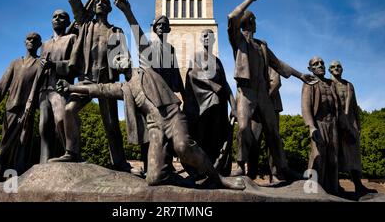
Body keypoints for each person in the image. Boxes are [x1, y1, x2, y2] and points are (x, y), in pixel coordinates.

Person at [55, 55, 245, 190]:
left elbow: (145, 45)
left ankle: (218, 178)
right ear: (118, 68)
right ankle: (178, 180)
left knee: (183, 146)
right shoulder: (124, 88)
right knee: (153, 178)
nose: (122, 61)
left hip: (172, 117)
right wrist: (71, 86)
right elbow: (99, 89)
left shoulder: (147, 70)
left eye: (123, 57)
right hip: (155, 128)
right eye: (117, 61)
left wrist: (127, 12)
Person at [51, 0, 132, 174]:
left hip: (106, 82)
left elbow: (125, 60)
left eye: (103, 2)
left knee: (111, 125)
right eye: (97, 1)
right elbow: (75, 1)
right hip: (86, 81)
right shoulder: (85, 25)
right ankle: (72, 152)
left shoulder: (117, 31)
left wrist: (129, 77)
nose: (99, 3)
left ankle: (120, 163)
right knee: (69, 110)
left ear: (108, 8)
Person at [227, 0, 314, 181]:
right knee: (243, 128)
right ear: (249, 21)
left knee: (273, 131)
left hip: (263, 93)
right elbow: (232, 16)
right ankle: (240, 165)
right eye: (255, 20)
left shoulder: (262, 46)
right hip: (246, 92)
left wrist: (301, 75)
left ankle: (282, 168)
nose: (257, 23)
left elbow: (278, 64)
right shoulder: (238, 40)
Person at [114, 0, 183, 175]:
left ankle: (166, 169)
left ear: (168, 29)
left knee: (167, 137)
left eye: (164, 25)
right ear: (154, 29)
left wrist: (183, 93)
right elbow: (136, 31)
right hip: (148, 97)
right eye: (158, 25)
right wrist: (127, 11)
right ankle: (147, 166)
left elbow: (176, 75)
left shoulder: (171, 50)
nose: (161, 27)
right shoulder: (149, 46)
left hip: (165, 98)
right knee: (148, 135)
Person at [0, 32, 42, 180]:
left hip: (28, 108)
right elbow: (2, 84)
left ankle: (18, 172)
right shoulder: (15, 63)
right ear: (25, 42)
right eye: (29, 39)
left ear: (39, 44)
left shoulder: (39, 63)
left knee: (23, 142)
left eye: (35, 40)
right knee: (6, 141)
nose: (31, 41)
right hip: (11, 106)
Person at [184, 29, 236, 176]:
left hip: (219, 106)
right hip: (202, 104)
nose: (207, 38)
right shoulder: (197, 56)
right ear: (201, 40)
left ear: (213, 40)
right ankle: (200, 167)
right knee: (202, 135)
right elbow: (192, 74)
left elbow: (225, 84)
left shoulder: (217, 61)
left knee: (217, 136)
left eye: (210, 36)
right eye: (204, 36)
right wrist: (212, 85)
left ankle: (215, 168)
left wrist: (234, 105)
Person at [329, 60, 376, 195]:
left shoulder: (349, 85)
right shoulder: (328, 84)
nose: (336, 68)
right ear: (330, 70)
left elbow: (355, 106)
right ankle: (335, 185)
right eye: (333, 67)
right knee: (335, 154)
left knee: (354, 155)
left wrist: (358, 125)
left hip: (350, 124)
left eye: (338, 66)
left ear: (342, 69)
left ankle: (358, 185)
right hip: (335, 124)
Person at [39, 9, 77, 163]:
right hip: (44, 89)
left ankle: (72, 153)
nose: (57, 19)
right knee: (43, 128)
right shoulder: (45, 44)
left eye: (62, 17)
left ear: (68, 22)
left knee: (61, 121)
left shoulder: (72, 38)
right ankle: (44, 162)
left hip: (60, 88)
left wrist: (53, 65)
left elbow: (75, 65)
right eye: (54, 16)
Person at [302, 57, 339, 195]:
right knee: (318, 157)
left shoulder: (331, 84)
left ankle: (334, 191)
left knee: (333, 159)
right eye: (315, 64)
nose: (320, 65)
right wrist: (311, 126)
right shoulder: (309, 83)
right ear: (310, 69)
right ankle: (312, 191)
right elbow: (305, 107)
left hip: (333, 125)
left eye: (322, 63)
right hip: (319, 123)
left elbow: (338, 108)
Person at [247, 67, 283, 181]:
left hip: (271, 107)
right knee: (253, 141)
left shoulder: (270, 65)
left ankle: (276, 174)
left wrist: (262, 100)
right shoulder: (251, 66)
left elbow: (276, 82)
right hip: (255, 110)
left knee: (273, 141)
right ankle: (251, 174)